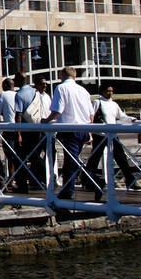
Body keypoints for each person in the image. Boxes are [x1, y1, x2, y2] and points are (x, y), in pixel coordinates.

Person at [47, 66, 97, 200]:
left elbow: (58, 111)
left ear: (62, 75)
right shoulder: (83, 90)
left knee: (71, 161)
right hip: (83, 129)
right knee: (73, 160)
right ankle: (79, 186)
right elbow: (91, 114)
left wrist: (46, 120)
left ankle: (76, 188)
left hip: (70, 130)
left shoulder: (61, 88)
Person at [90, 84, 141, 190]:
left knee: (121, 158)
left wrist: (131, 119)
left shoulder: (114, 104)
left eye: (112, 91)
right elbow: (91, 117)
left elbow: (121, 117)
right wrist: (90, 133)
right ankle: (88, 180)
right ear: (102, 91)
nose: (110, 93)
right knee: (94, 159)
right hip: (100, 135)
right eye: (108, 91)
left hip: (112, 134)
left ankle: (130, 181)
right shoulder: (97, 102)